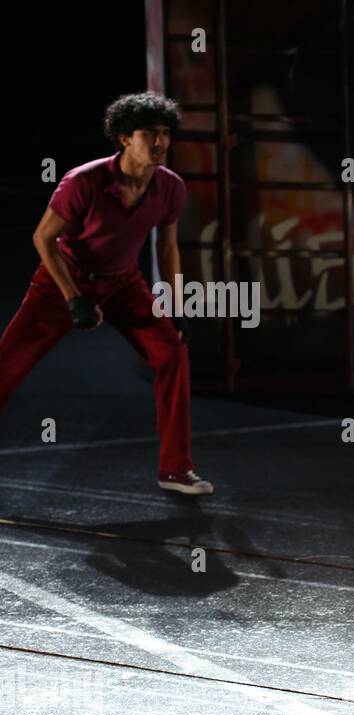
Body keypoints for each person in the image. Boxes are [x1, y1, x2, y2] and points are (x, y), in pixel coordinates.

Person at [0, 92, 211, 494]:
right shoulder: (84, 181)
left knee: (172, 352)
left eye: (166, 133)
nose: (161, 142)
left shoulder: (170, 187)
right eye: (150, 133)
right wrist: (73, 298)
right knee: (6, 366)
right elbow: (43, 239)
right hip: (64, 279)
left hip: (123, 282)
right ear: (123, 138)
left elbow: (166, 248)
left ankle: (176, 470)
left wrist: (174, 304)